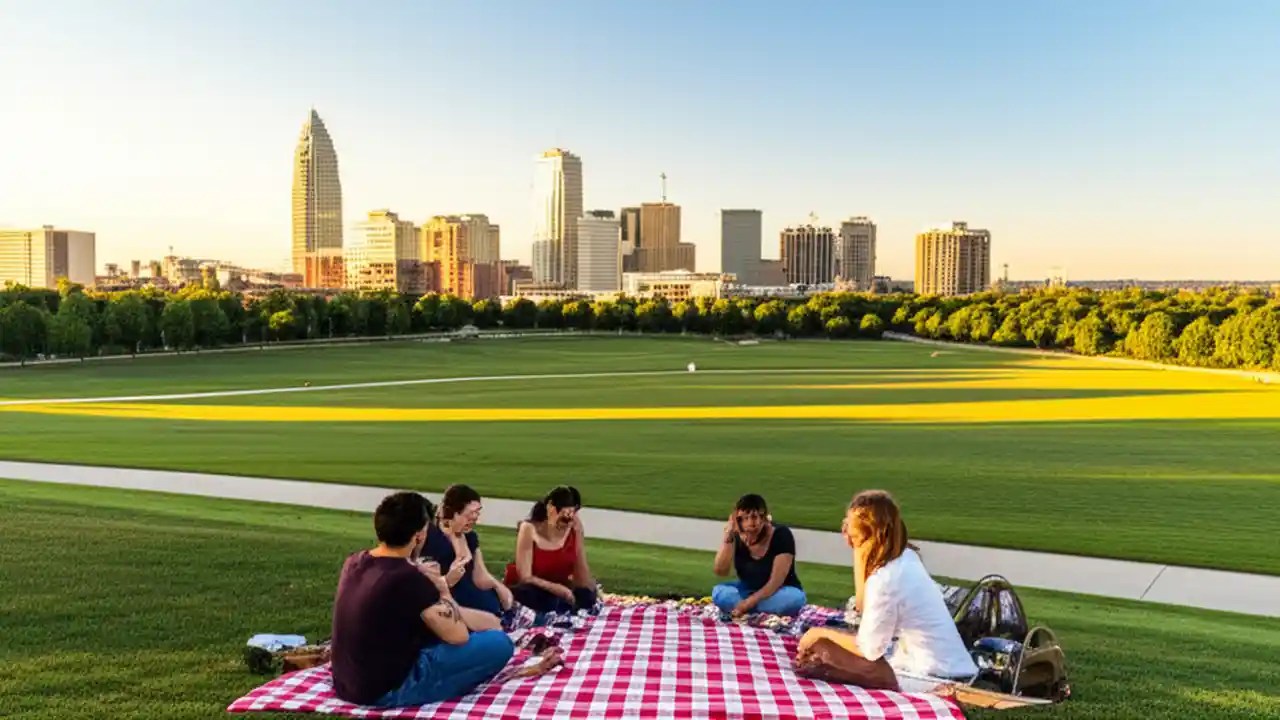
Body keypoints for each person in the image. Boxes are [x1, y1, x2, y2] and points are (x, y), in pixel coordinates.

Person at [330, 491, 514, 707]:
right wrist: (443, 589)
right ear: (419, 535)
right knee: (499, 644)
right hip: (385, 690)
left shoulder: (355, 561)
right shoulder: (410, 578)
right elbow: (459, 636)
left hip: (346, 682)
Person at [796, 490, 977, 687]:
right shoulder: (906, 557)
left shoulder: (885, 579)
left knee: (823, 649)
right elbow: (862, 605)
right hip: (946, 666)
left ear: (871, 536)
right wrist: (858, 548)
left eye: (853, 534)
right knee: (827, 647)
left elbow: (869, 650)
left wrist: (819, 633)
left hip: (932, 676)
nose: (846, 533)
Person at [420, 484, 513, 627]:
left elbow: (481, 576)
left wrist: (498, 586)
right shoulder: (430, 538)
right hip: (453, 604)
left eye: (477, 513)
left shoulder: (470, 537)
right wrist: (448, 579)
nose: (475, 518)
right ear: (453, 513)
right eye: (470, 514)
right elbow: (425, 584)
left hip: (481, 601)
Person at [503, 486, 598, 613]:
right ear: (551, 509)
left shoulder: (574, 529)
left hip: (560, 585)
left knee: (587, 596)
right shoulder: (529, 529)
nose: (567, 524)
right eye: (563, 519)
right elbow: (525, 577)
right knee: (540, 598)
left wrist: (590, 588)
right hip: (534, 586)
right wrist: (556, 588)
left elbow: (581, 573)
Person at [712, 493, 806, 617]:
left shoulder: (781, 535)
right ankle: (760, 611)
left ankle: (749, 610)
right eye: (744, 519)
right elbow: (720, 571)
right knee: (719, 592)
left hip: (777, 591)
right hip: (747, 590)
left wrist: (748, 603)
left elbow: (775, 582)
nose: (750, 524)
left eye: (754, 518)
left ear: (764, 519)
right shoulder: (736, 535)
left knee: (795, 599)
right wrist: (728, 536)